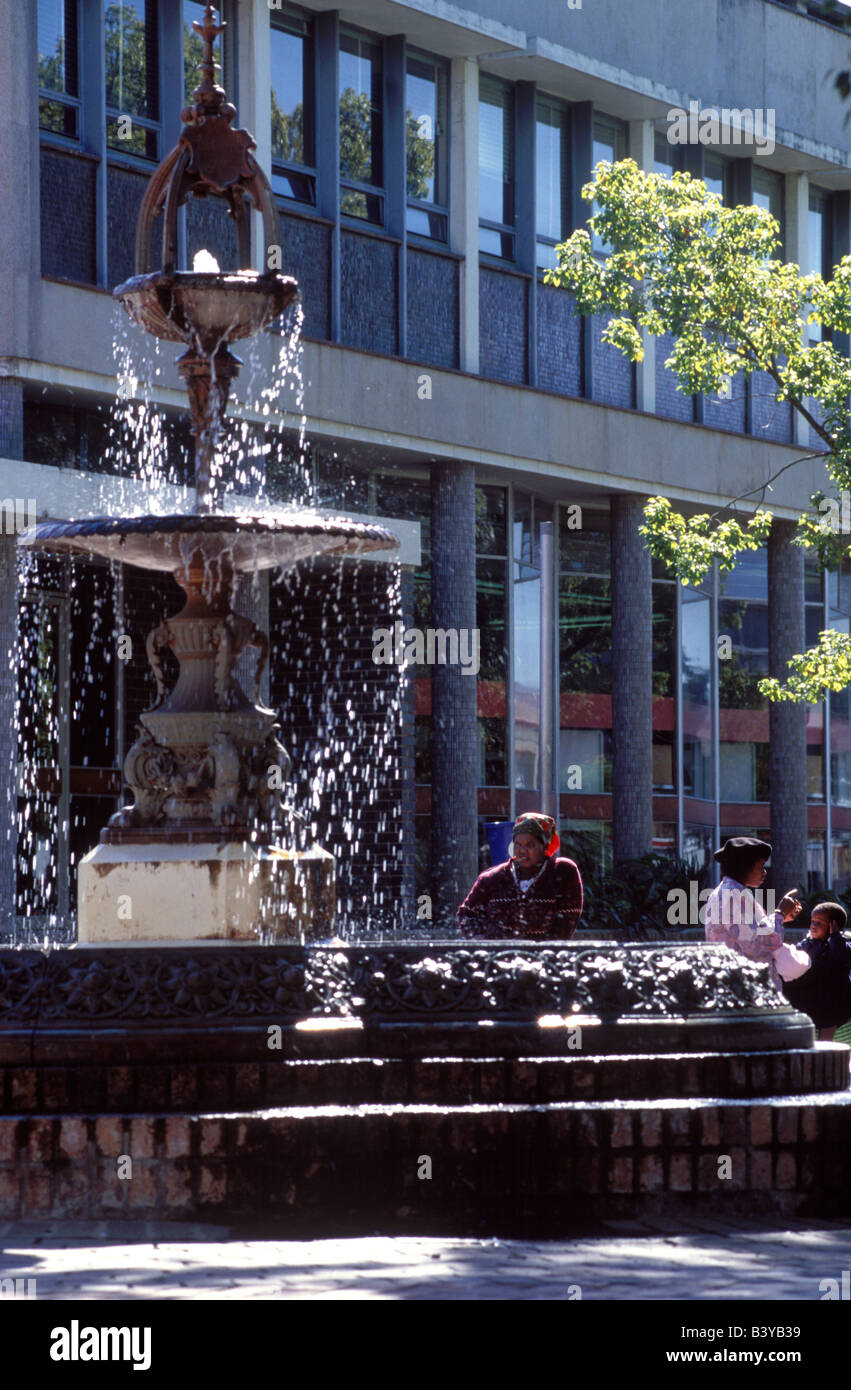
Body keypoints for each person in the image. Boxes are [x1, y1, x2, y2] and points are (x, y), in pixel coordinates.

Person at [457, 812, 582, 940]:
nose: (522, 850)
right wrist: (485, 939)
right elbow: (466, 915)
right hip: (499, 956)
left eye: (530, 845)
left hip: (545, 955)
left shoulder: (562, 872)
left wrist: (538, 949)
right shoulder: (491, 878)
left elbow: (567, 920)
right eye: (518, 844)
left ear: (544, 846)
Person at [703, 836, 810, 983]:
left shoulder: (726, 892)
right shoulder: (734, 896)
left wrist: (780, 918)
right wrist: (780, 914)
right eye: (760, 867)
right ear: (743, 867)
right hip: (744, 984)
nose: (764, 872)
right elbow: (759, 946)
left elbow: (750, 932)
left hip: (734, 979)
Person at [782, 902, 851, 1041]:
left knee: (828, 1025)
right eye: (813, 921)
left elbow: (842, 956)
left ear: (833, 926)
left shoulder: (841, 943)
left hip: (833, 1000)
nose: (814, 925)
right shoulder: (806, 944)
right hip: (810, 996)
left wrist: (835, 937)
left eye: (819, 923)